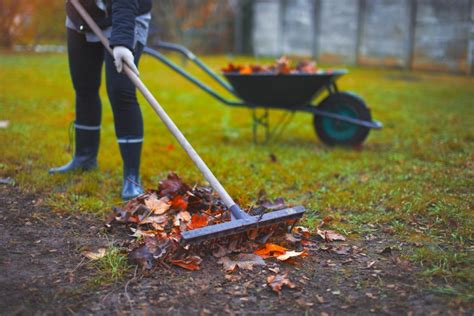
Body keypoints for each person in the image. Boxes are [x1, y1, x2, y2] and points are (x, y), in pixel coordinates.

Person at [49, 0, 152, 200]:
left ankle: (131, 176)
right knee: (84, 86)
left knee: (121, 91)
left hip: (126, 16)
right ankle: (84, 158)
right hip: (82, 16)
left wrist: (122, 43)